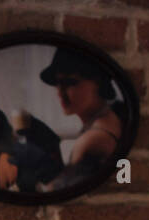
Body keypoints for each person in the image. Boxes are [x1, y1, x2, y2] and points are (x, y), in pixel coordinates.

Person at [38, 47, 126, 191]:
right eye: (57, 83)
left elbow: (60, 192)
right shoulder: (107, 118)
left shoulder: (93, 138)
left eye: (70, 82)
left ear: (98, 82)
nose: (60, 92)